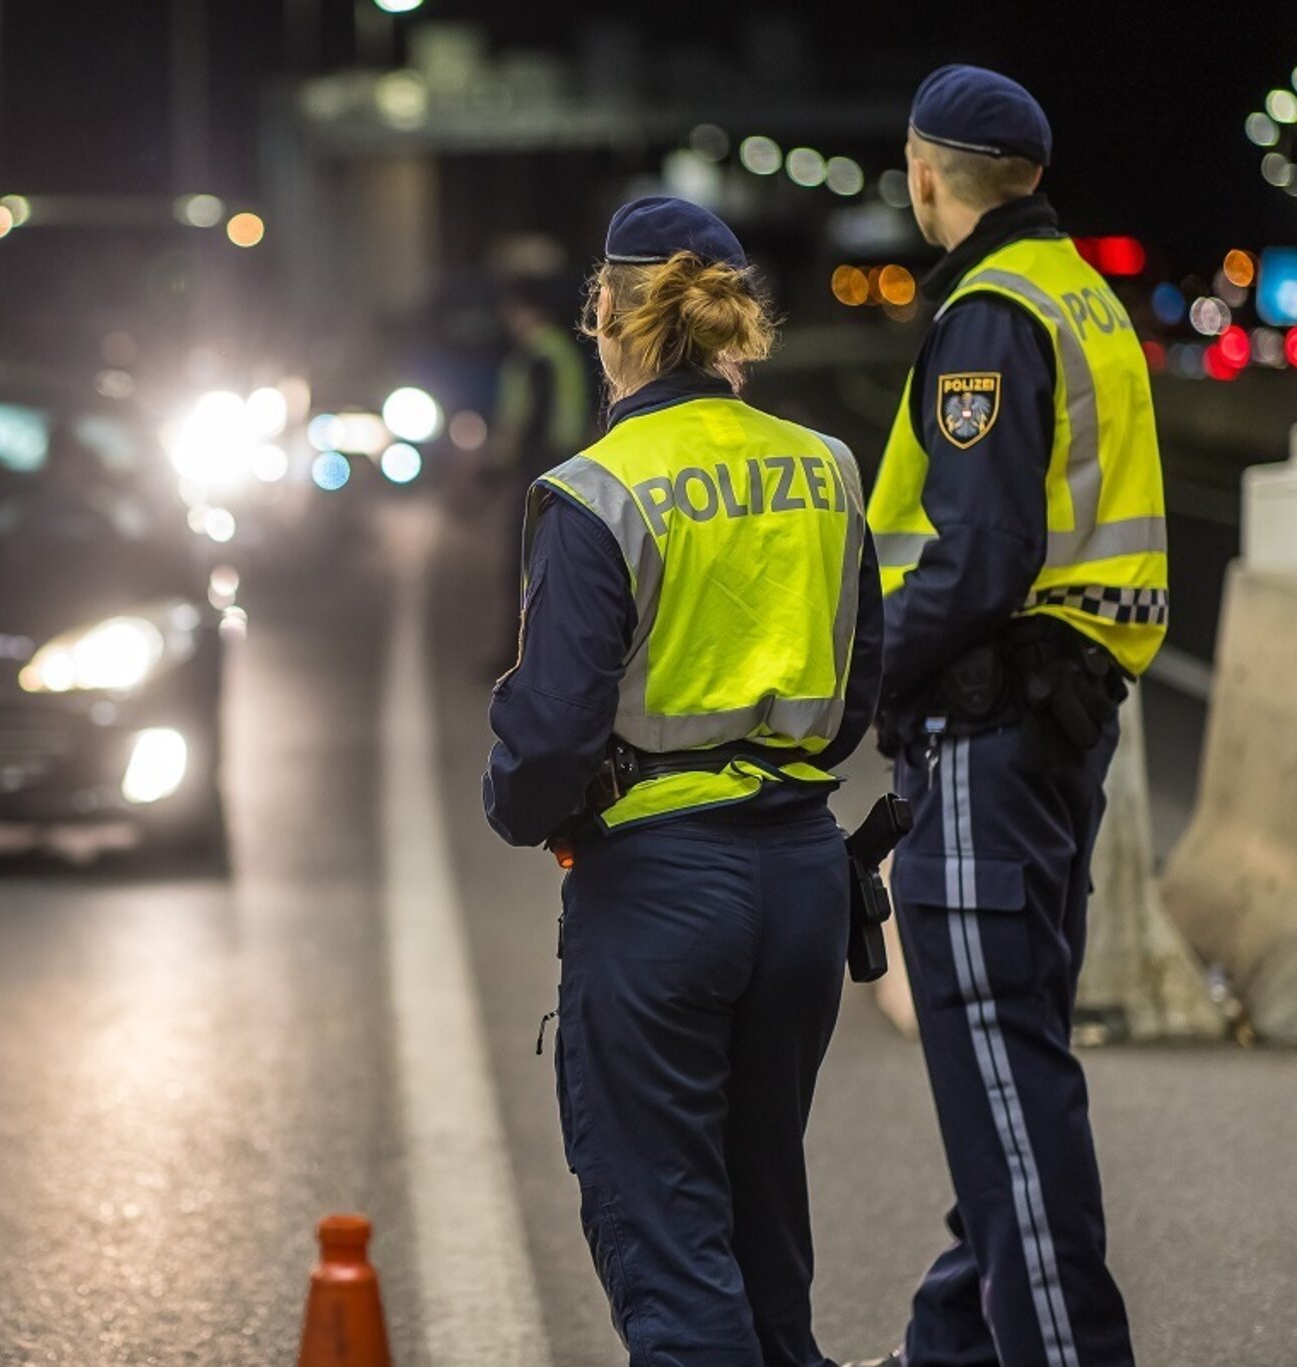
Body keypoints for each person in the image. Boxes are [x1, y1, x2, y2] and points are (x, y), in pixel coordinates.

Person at [484, 196, 883, 1366]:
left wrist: (518, 804)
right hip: (803, 883)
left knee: (668, 1244)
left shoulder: (595, 488)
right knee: (762, 1228)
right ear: (729, 319)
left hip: (659, 890)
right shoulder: (826, 467)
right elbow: (860, 685)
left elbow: (551, 732)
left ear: (605, 314)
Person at [849, 65, 1167, 1367]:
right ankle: (949, 1346)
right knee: (1010, 1068)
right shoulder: (1084, 296)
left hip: (991, 731)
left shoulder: (988, 314)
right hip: (1065, 725)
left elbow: (975, 558)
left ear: (929, 174)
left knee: (1004, 1081)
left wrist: (856, 690)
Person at [487, 281, 594, 667]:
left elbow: (525, 420)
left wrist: (500, 466)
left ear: (525, 311)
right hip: (563, 467)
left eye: (511, 314)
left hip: (538, 469)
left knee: (524, 564)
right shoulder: (561, 353)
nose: (508, 322)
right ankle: (541, 655)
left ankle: (521, 657)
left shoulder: (537, 357)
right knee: (551, 563)